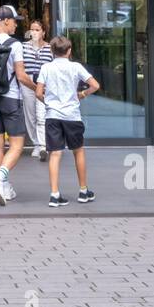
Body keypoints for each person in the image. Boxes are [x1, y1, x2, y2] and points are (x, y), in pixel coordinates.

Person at [0, 5, 39, 205]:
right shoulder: (15, 44)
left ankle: (3, 186)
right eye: (14, 21)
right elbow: (21, 75)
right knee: (17, 145)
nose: (16, 24)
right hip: (11, 98)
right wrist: (37, 89)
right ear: (5, 21)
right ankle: (0, 177)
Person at [36, 36, 99, 206]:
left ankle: (54, 194)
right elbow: (95, 85)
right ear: (69, 51)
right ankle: (83, 191)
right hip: (72, 115)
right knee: (78, 151)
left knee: (55, 154)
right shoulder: (75, 67)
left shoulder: (46, 67)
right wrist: (82, 94)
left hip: (52, 115)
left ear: (51, 51)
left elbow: (38, 92)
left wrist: (48, 104)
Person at [21, 19, 54, 161]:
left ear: (43, 32)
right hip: (27, 82)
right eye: (31, 30)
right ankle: (36, 143)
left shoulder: (50, 47)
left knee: (42, 115)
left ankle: (42, 145)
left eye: (37, 30)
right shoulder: (22, 47)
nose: (33, 32)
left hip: (44, 83)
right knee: (30, 115)